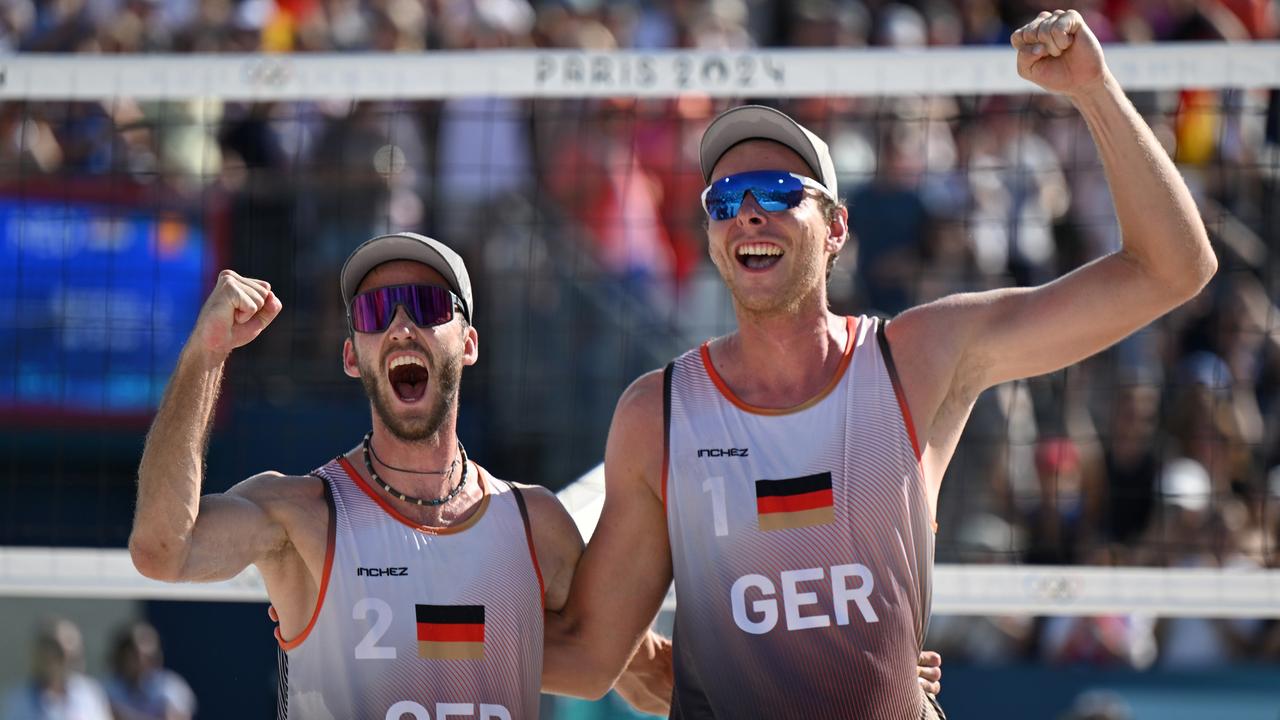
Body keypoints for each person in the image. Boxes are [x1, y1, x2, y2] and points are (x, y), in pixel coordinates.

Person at [544, 9, 1215, 720]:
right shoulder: (659, 412)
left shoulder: (916, 359)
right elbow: (595, 662)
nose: (747, 213)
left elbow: (1172, 269)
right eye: (723, 201)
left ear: (835, 228)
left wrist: (1094, 89)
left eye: (776, 194)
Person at [128, 232, 671, 719]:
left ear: (469, 342)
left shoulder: (535, 524)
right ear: (351, 355)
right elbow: (161, 550)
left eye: (428, 306)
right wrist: (206, 354)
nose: (400, 326)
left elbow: (642, 670)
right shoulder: (302, 513)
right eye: (374, 311)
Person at [1, 618, 111, 720]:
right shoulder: (19, 699)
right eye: (60, 652)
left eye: (75, 650)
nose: (71, 657)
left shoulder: (90, 692)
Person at [103, 621, 196, 720]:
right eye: (139, 656)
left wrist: (122, 714)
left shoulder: (171, 686)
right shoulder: (107, 688)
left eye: (152, 655)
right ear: (123, 656)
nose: (147, 662)